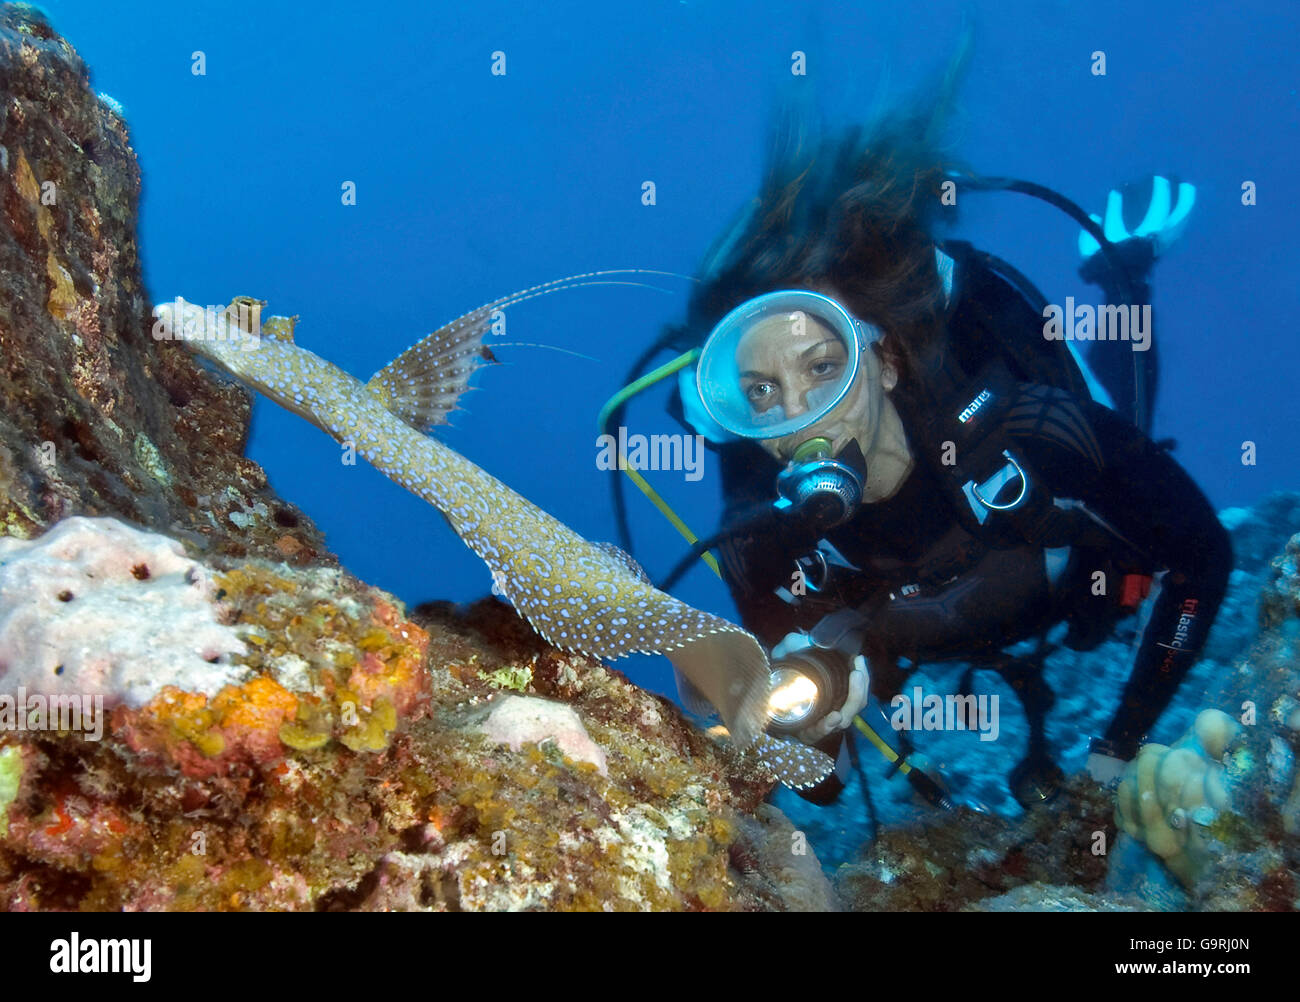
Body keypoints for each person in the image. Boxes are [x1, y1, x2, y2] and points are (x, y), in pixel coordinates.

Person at [654, 115, 1231, 808]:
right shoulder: (763, 545)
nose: (798, 416)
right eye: (760, 393)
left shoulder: (1026, 431)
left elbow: (1202, 556)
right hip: (930, 639)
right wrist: (811, 708)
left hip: (1069, 580)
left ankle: (1122, 271)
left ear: (887, 362)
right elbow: (822, 783)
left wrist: (1112, 759)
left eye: (825, 367)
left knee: (1117, 414)